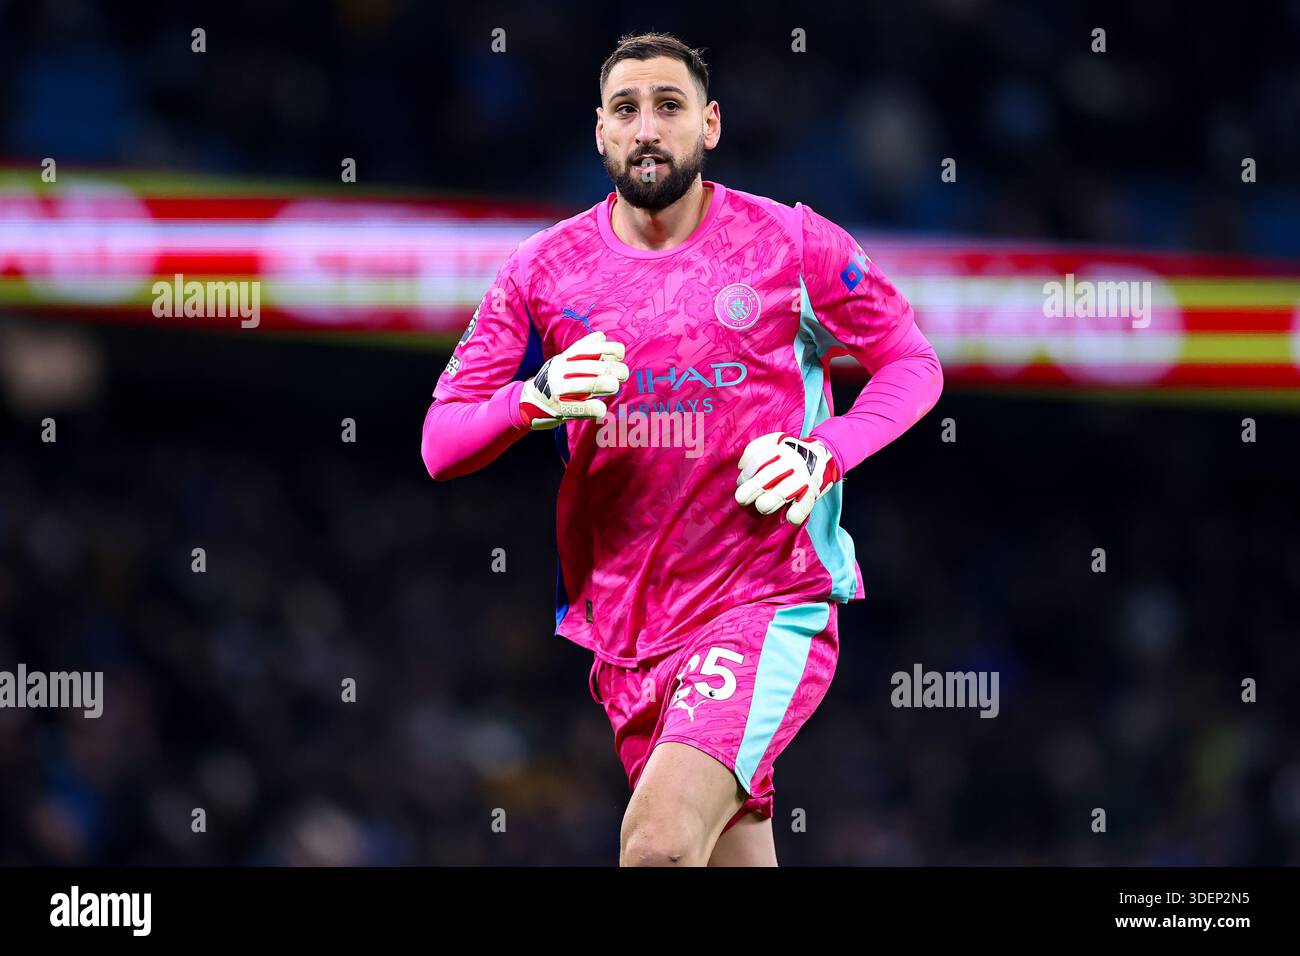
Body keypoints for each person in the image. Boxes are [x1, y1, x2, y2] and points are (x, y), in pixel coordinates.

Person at [421, 31, 943, 866]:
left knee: (657, 843)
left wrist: (824, 453)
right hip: (624, 633)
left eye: (669, 107)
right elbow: (441, 443)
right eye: (626, 109)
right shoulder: (540, 271)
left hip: (767, 598)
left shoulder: (793, 245)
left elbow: (911, 364)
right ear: (600, 132)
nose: (647, 128)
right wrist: (534, 398)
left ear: (710, 125)